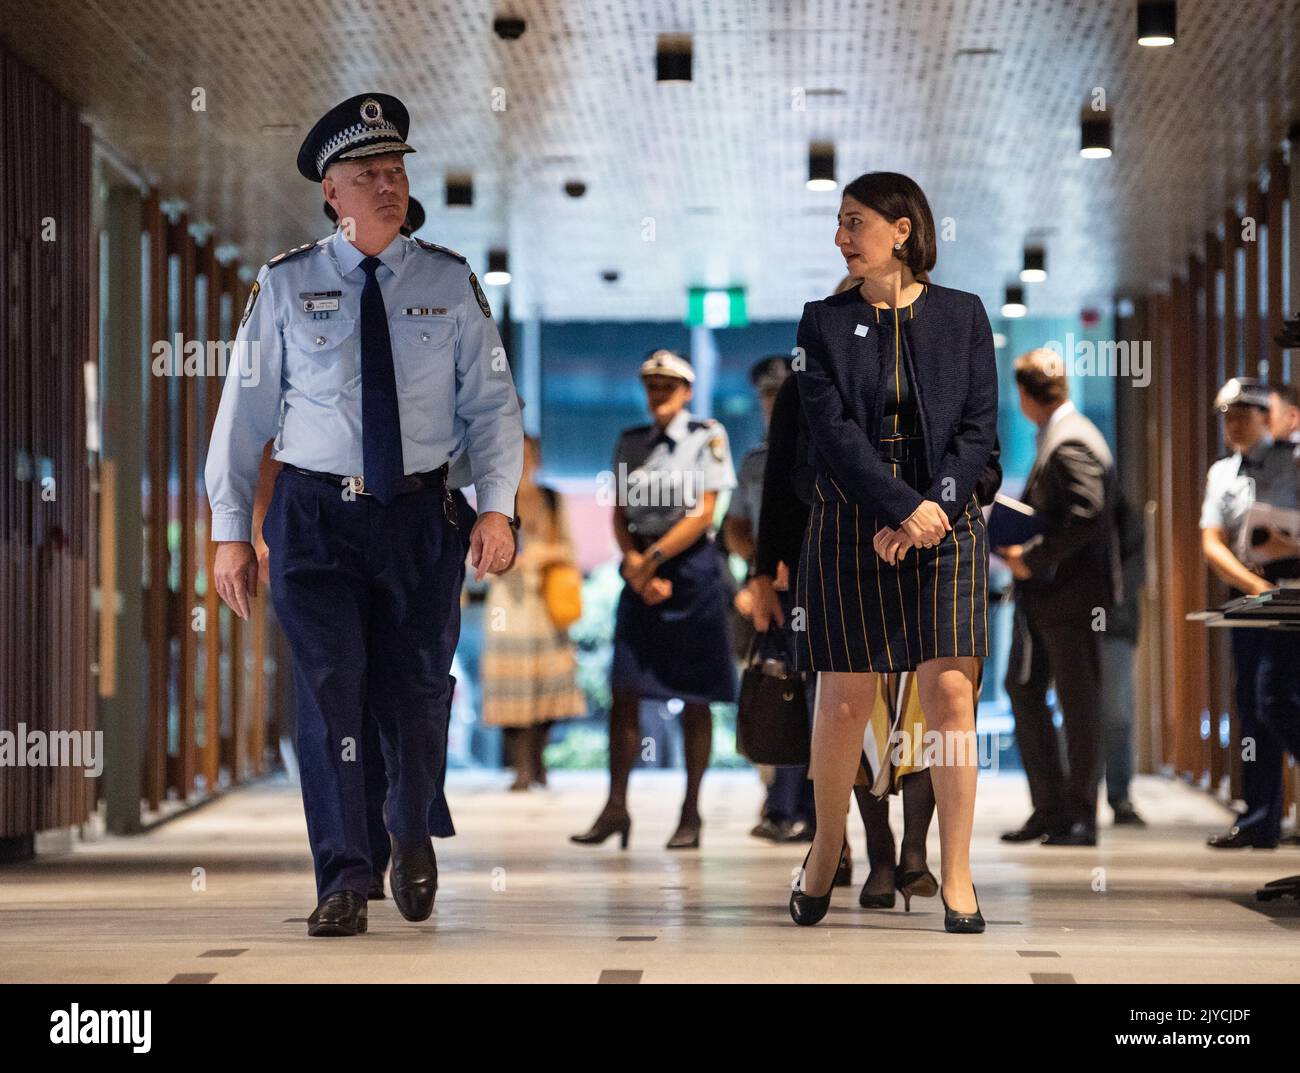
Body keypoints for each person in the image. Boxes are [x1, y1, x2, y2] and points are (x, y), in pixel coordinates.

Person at [206, 92, 523, 937]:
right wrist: (229, 529)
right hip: (314, 517)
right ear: (330, 193)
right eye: (366, 175)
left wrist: (498, 510)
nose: (387, 185)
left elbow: (494, 407)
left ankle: (410, 824)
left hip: (422, 517)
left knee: (416, 691)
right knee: (327, 692)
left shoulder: (450, 282)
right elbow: (243, 414)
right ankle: (343, 874)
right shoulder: (285, 283)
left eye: (395, 171)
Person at [786, 172, 996, 933]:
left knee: (949, 698)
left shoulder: (964, 317)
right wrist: (897, 507)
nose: (842, 237)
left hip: (946, 524)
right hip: (851, 522)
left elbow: (978, 431)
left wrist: (928, 510)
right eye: (840, 223)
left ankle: (960, 872)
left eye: (855, 222)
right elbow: (832, 435)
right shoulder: (822, 322)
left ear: (902, 230)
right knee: (844, 699)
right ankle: (825, 847)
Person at [571, 349, 738, 850]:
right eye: (651, 386)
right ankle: (616, 807)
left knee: (695, 695)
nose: (658, 394)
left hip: (689, 570)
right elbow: (620, 512)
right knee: (625, 687)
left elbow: (704, 512)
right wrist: (635, 564)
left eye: (667, 386)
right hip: (641, 565)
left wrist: (654, 560)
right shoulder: (631, 443)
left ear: (686, 391)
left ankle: (691, 813)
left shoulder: (706, 437)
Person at [997, 348, 1119, 848]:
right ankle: (1054, 809)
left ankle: (1078, 816)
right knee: (1029, 690)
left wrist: (1033, 554)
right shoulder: (1065, 434)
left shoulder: (1071, 442)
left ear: (1024, 395)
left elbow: (1088, 515)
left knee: (1077, 701)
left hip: (1071, 596)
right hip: (1057, 595)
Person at [1200, 377, 1300, 849]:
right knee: (1251, 706)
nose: (1234, 425)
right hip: (1253, 594)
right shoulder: (1221, 472)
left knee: (1278, 697)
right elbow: (1211, 542)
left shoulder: (1293, 459)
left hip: (1294, 589)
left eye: (1244, 416)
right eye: (1228, 417)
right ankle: (1259, 816)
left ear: (1268, 417)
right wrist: (1257, 587)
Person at [725, 356, 817, 843]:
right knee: (777, 694)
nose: (773, 406)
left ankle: (813, 811)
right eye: (767, 398)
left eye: (781, 396)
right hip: (771, 592)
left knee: (816, 697)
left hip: (815, 585)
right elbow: (734, 527)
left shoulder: (821, 451)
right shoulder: (755, 462)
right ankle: (782, 807)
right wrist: (759, 565)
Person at [480, 435, 586, 789]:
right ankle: (521, 768)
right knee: (510, 690)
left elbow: (570, 549)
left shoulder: (552, 499)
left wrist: (540, 555)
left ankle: (537, 763)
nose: (522, 462)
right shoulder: (494, 501)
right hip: (507, 608)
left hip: (544, 605)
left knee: (549, 687)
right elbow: (474, 556)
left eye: (527, 455)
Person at [1099, 489, 1146, 827]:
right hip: (1072, 622)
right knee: (1074, 713)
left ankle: (1119, 795)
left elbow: (1132, 575)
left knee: (1116, 715)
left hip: (1115, 623)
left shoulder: (1122, 513)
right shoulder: (1064, 509)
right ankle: (1072, 800)